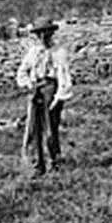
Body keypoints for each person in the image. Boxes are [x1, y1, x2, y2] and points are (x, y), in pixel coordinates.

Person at [15, 18, 72, 176]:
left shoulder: (58, 51)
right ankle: (37, 165)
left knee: (50, 129)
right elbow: (22, 71)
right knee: (34, 128)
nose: (42, 38)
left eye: (46, 34)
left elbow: (64, 75)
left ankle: (54, 162)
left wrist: (59, 97)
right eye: (39, 34)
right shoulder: (33, 52)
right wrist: (28, 84)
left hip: (51, 88)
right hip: (36, 88)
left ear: (51, 33)